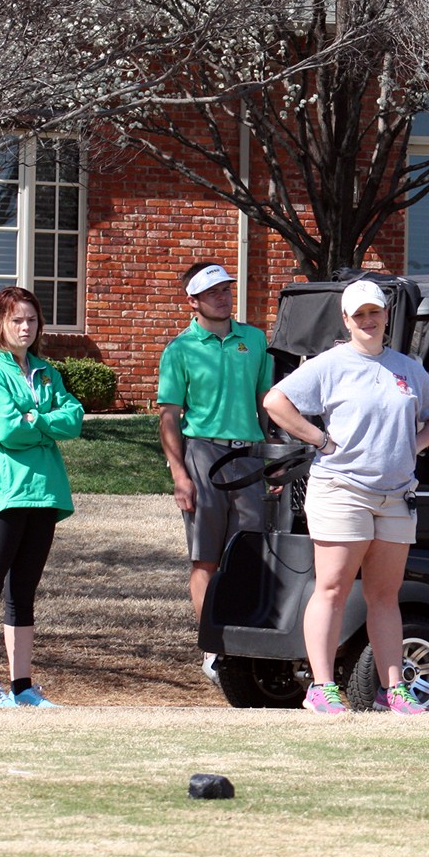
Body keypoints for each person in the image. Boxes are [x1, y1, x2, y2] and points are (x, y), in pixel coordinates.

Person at [263, 279, 429, 715]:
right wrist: (320, 440)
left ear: (386, 316)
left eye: (375, 313)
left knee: (386, 596)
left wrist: (416, 445)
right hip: (341, 490)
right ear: (346, 320)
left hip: (396, 496)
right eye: (359, 314)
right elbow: (276, 401)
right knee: (332, 587)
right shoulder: (330, 364)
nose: (369, 321)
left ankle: (394, 690)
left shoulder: (406, 367)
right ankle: (322, 687)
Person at [0, 286, 84, 707]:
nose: (25, 327)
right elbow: (4, 429)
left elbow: (74, 419)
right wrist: (43, 424)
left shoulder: (46, 371)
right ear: (0, 323)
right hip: (3, 492)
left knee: (23, 593)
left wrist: (36, 418)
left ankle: (22, 688)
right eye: (17, 319)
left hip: (44, 493)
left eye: (31, 319)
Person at [157, 261, 273, 685]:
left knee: (246, 555)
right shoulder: (180, 349)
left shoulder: (255, 340)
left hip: (249, 456)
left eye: (226, 290)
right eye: (214, 293)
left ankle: (243, 643)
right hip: (203, 453)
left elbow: (266, 402)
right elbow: (169, 416)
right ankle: (212, 647)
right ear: (193, 302)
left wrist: (271, 458)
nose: (224, 298)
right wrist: (180, 474)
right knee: (205, 557)